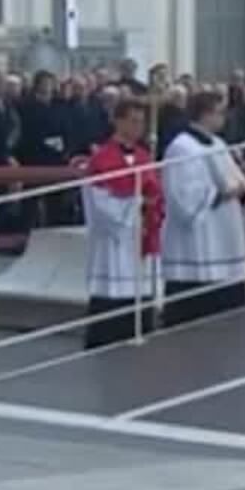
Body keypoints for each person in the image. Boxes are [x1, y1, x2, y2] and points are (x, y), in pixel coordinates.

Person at [160, 90, 245, 326]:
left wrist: (241, 188)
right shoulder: (181, 147)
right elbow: (182, 196)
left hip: (224, 232)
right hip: (198, 240)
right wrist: (219, 194)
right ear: (204, 114)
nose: (223, 118)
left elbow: (236, 178)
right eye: (219, 113)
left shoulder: (218, 143)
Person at [82, 100, 162, 348]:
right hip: (114, 238)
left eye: (142, 122)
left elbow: (155, 192)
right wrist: (137, 202)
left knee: (140, 285)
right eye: (133, 121)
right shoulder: (102, 159)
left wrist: (151, 204)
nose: (139, 127)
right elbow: (100, 204)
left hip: (140, 233)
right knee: (114, 286)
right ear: (118, 121)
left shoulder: (143, 157)